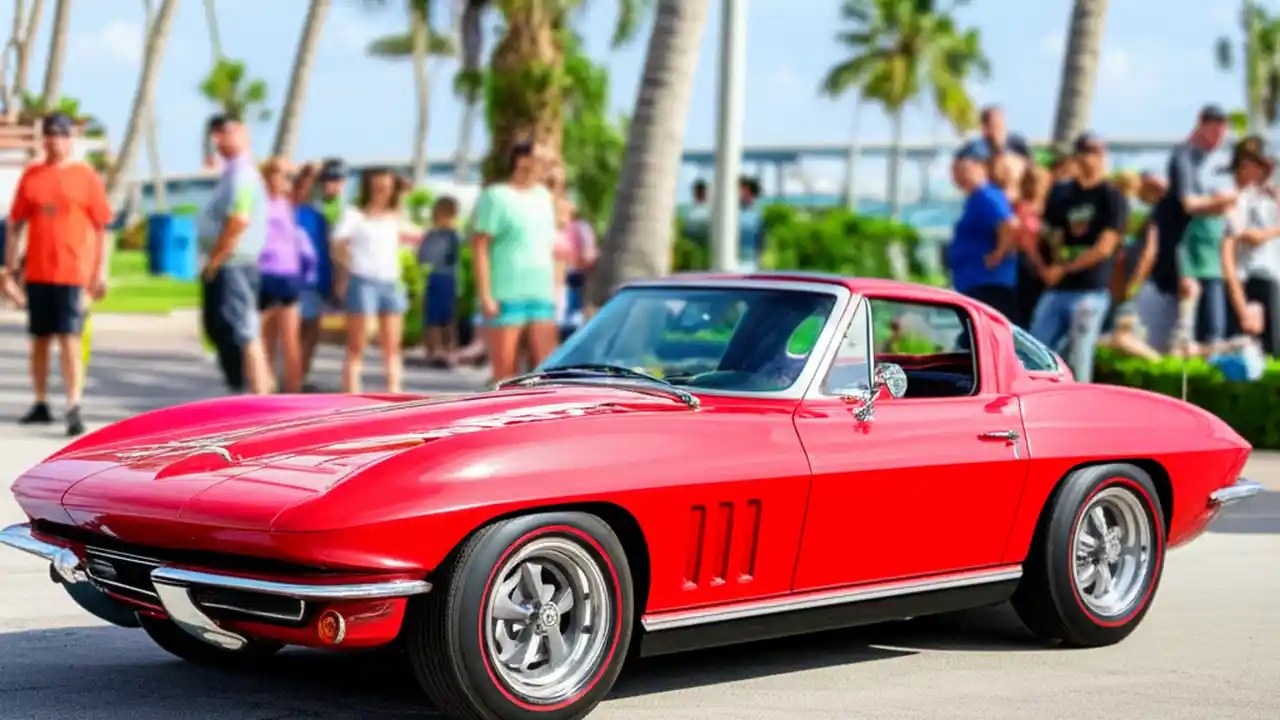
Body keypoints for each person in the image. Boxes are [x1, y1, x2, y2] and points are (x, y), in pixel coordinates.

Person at [2, 113, 111, 436]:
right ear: (44, 138)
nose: (55, 140)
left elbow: (101, 226)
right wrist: (9, 270)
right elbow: (15, 224)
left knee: (70, 340)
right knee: (38, 341)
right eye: (50, 134)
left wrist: (99, 272)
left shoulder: (85, 176)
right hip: (37, 272)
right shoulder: (32, 175)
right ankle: (40, 402)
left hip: (73, 273)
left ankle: (73, 404)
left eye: (61, 135)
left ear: (70, 139)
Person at [1032, 132, 1129, 383]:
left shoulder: (1111, 196)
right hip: (1058, 289)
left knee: (1079, 358)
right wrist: (1048, 265)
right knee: (1034, 352)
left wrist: (1063, 268)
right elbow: (1049, 234)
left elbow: (1105, 248)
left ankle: (1079, 413)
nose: (1091, 158)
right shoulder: (1062, 193)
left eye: (1097, 152)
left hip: (1090, 290)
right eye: (1086, 152)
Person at [1140, 104, 1236, 353]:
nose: (1219, 139)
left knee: (1206, 330)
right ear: (1202, 126)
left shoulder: (1210, 161)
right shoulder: (1183, 156)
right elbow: (1189, 203)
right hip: (1179, 256)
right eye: (1215, 132)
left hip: (1202, 256)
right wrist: (1221, 202)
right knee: (1177, 331)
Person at [471, 139, 559, 384]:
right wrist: (486, 295)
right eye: (541, 160)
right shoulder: (496, 196)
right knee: (505, 374)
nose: (546, 166)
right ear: (522, 161)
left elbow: (549, 247)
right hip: (506, 294)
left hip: (541, 293)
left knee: (549, 372)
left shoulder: (544, 197)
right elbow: (479, 246)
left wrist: (556, 290)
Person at [198, 115, 271, 395]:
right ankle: (247, 392)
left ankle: (257, 398)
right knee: (228, 330)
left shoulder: (242, 174)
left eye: (225, 131)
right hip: (230, 263)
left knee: (242, 331)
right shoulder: (231, 172)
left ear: (242, 132)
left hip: (234, 264)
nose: (218, 139)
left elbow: (238, 220)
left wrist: (215, 260)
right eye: (214, 133)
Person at [333, 168, 419, 393]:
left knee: (392, 347)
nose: (382, 191)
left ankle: (395, 395)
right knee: (357, 345)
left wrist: (406, 198)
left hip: (390, 282)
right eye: (378, 186)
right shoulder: (355, 214)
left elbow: (418, 236)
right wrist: (350, 267)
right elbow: (338, 244)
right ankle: (351, 398)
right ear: (368, 187)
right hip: (363, 282)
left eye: (387, 187)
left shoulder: (396, 216)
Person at [258, 156, 316, 393]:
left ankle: (293, 390)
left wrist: (308, 171)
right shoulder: (258, 202)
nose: (283, 179)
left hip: (288, 275)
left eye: (286, 176)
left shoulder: (286, 202)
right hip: (264, 273)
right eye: (279, 174)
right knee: (266, 340)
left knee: (291, 339)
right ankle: (264, 389)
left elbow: (302, 187)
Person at [946, 144, 1020, 319]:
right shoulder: (974, 199)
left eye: (962, 168)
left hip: (988, 285)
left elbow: (1008, 224)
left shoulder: (987, 195)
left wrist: (999, 253)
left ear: (979, 166)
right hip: (974, 283)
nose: (957, 175)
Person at [1221, 135, 1280, 355]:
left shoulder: (1268, 197)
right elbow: (1243, 240)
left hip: (1271, 276)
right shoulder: (1235, 198)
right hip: (1251, 278)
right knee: (1253, 350)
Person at [298, 158, 348, 387]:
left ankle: (301, 375)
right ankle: (295, 376)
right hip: (306, 275)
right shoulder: (312, 208)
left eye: (337, 180)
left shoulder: (342, 208)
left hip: (324, 275)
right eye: (327, 180)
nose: (332, 185)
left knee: (312, 331)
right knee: (302, 329)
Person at [417, 196, 462, 367]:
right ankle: (435, 349)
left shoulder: (450, 236)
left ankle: (448, 350)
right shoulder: (439, 235)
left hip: (445, 278)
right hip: (439, 278)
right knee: (435, 317)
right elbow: (423, 256)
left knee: (446, 318)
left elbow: (424, 256)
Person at [1014, 165, 1052, 328]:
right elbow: (1028, 243)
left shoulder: (1050, 207)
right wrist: (1042, 269)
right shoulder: (1022, 208)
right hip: (1030, 266)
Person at [962, 105, 1032, 159]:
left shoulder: (1018, 145)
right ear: (984, 129)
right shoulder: (973, 150)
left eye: (1003, 125)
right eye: (996, 126)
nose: (1002, 130)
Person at [738, 176, 765, 272]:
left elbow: (760, 239)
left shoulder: (757, 214)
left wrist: (759, 261)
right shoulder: (733, 211)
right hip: (733, 258)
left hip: (749, 262)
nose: (740, 193)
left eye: (744, 190)